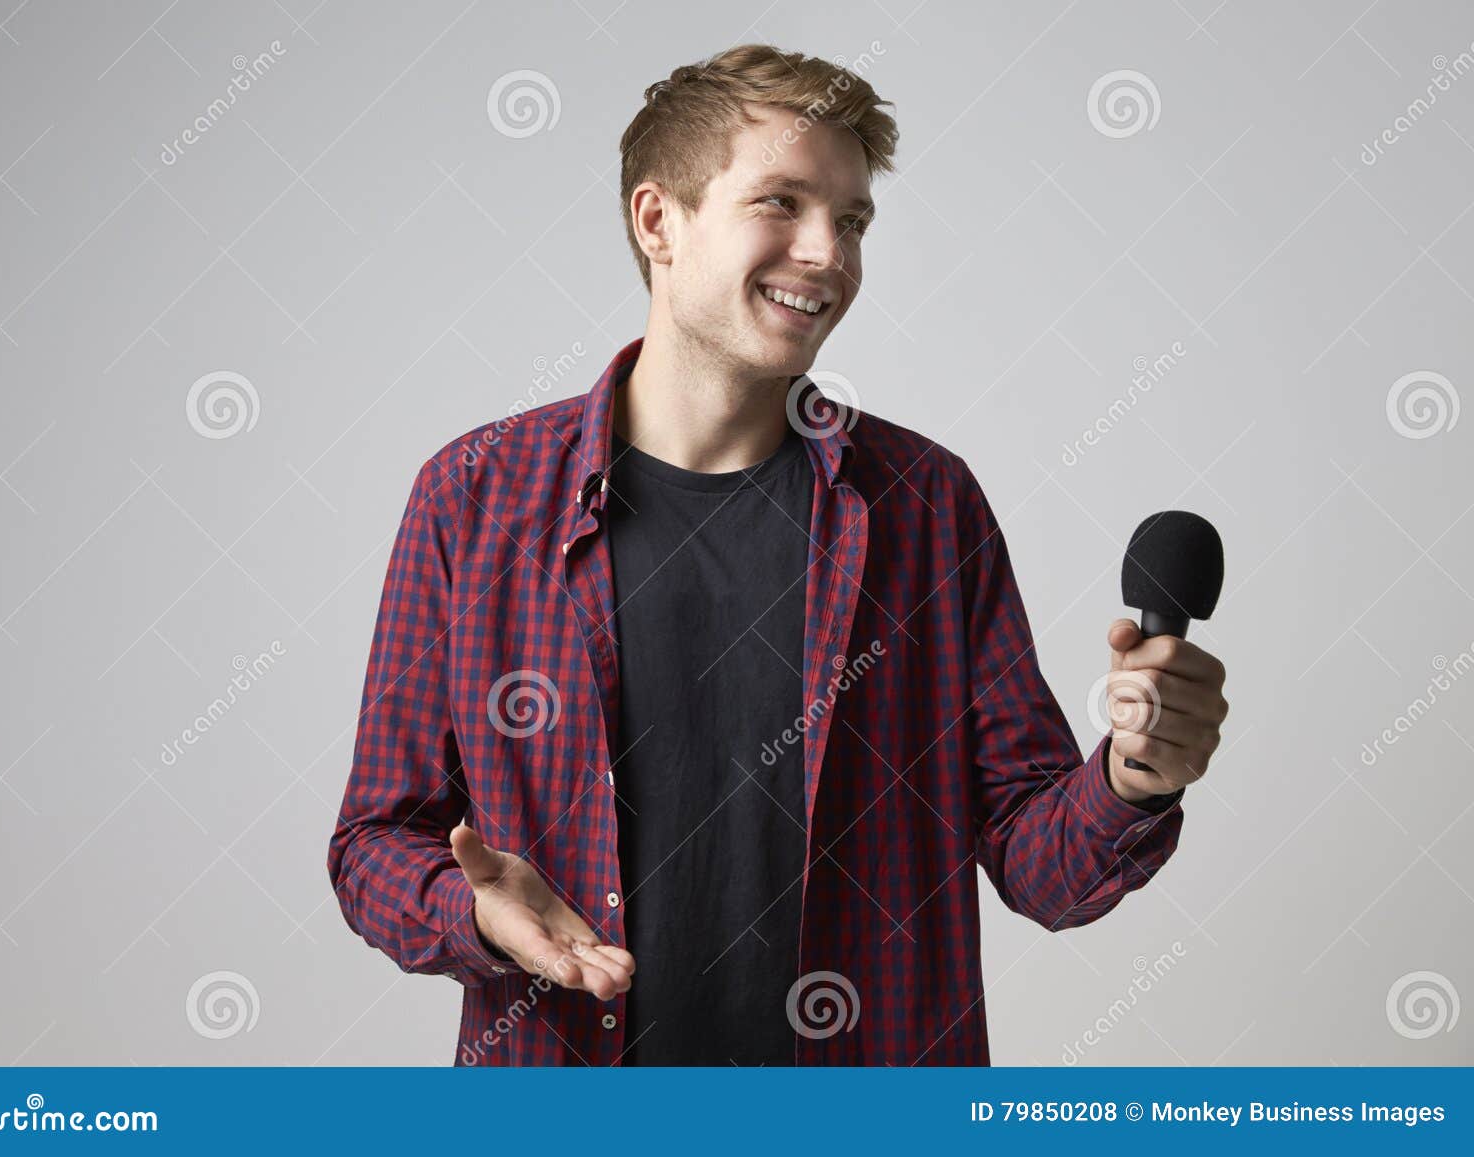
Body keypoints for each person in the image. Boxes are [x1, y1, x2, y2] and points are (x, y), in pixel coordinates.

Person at [327, 44, 1229, 1066]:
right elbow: (373, 841)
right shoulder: (475, 495)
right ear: (657, 220)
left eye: (849, 221)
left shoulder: (925, 504)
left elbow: (1039, 863)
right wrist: (476, 912)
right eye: (782, 203)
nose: (827, 254)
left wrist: (1134, 776)